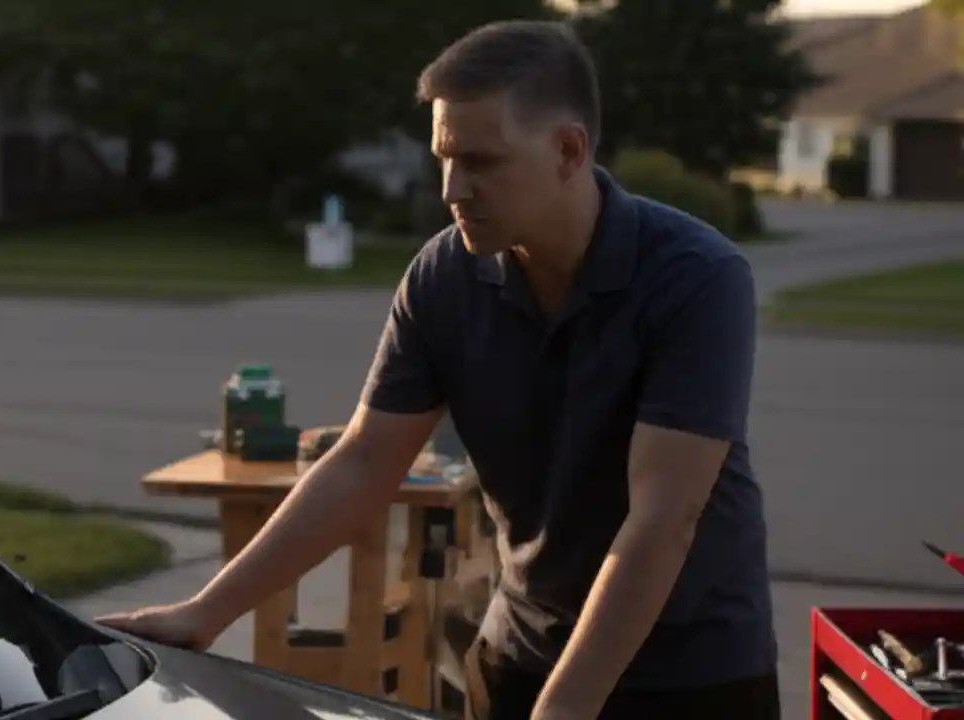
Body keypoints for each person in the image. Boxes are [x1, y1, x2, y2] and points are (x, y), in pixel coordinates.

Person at [96, 19, 779, 720]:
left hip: (693, 676)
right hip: (522, 657)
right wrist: (208, 612)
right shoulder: (443, 276)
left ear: (569, 150)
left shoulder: (696, 278)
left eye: (480, 162)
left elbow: (663, 519)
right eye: (444, 159)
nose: (453, 189)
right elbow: (364, 463)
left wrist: (566, 709)